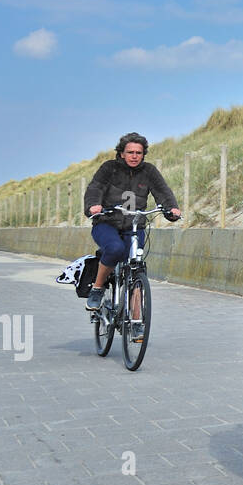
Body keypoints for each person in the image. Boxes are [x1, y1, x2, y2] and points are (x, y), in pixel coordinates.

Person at [83, 133, 181, 340]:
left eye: (138, 153)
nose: (135, 156)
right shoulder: (109, 168)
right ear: (121, 153)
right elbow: (95, 188)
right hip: (106, 223)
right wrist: (93, 205)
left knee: (136, 268)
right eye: (130, 152)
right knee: (115, 249)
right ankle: (98, 288)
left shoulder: (149, 171)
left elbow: (162, 191)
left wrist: (172, 209)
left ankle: (136, 322)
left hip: (134, 226)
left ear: (143, 154)